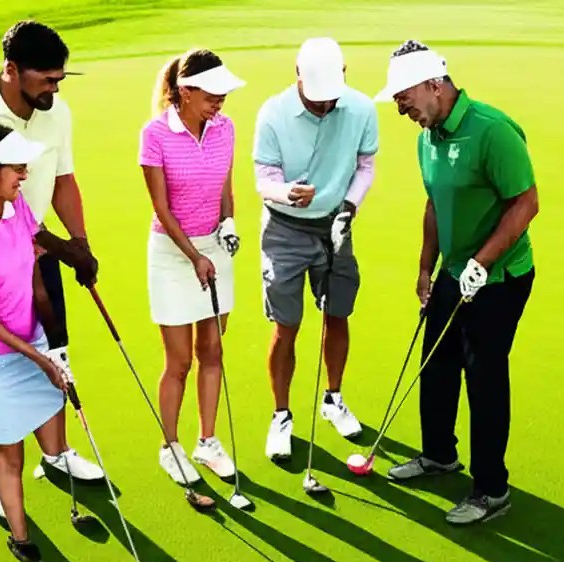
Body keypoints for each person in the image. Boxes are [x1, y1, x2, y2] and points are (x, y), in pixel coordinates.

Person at [375, 41, 539, 525]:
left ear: (433, 85)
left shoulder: (492, 131)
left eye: (403, 95)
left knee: (484, 378)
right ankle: (439, 455)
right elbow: (433, 205)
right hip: (452, 274)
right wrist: (427, 268)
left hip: (502, 277)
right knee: (437, 363)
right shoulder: (428, 135)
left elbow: (525, 204)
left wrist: (483, 263)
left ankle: (491, 490)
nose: (399, 106)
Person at [0, 21, 102, 518]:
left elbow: (64, 181)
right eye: (46, 80)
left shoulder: (58, 114)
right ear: (11, 70)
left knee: (54, 353)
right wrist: (56, 245)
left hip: (43, 259)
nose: (55, 89)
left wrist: (80, 244)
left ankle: (55, 454)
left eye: (60, 79)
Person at [0, 124, 90, 562]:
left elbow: (37, 287)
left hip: (32, 343)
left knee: (54, 444)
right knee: (12, 454)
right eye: (16, 166)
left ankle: (55, 467)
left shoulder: (18, 210)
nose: (24, 172)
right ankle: (22, 540)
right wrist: (40, 360)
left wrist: (56, 346)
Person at [252, 37, 378, 466]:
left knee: (337, 313)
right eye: (316, 98)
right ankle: (281, 415)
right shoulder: (272, 112)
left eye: (331, 97)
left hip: (336, 225)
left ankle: (333, 398)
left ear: (344, 75)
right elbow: (262, 178)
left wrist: (348, 207)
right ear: (297, 75)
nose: (324, 106)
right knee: (286, 325)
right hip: (285, 230)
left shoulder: (360, 108)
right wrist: (286, 192)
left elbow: (365, 165)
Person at [139, 48, 244, 491]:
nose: (220, 100)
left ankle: (207, 440)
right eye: (212, 92)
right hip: (171, 253)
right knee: (179, 361)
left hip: (213, 248)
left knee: (213, 352)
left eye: (224, 92)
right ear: (185, 90)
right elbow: (161, 208)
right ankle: (170, 446)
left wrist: (229, 223)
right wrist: (194, 256)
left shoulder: (225, 129)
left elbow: (225, 186)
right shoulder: (155, 135)